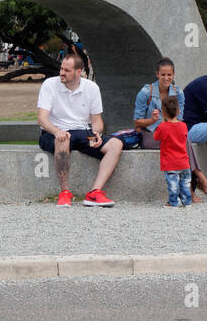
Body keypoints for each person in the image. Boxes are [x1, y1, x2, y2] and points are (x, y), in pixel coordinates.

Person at [36, 52, 121, 208]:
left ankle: (94, 192)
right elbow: (42, 119)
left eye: (67, 70)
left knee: (116, 144)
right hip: (52, 132)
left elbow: (97, 121)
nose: (62, 73)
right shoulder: (50, 84)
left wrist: (96, 134)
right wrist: (56, 131)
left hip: (81, 131)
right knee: (63, 138)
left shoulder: (91, 87)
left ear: (78, 72)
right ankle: (65, 193)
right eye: (61, 69)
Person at [132, 57, 186, 150]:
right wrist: (152, 120)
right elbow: (137, 122)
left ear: (173, 75)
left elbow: (179, 119)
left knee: (184, 141)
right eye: (163, 75)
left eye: (169, 75)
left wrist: (167, 124)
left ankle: (188, 165)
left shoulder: (178, 93)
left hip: (170, 131)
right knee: (175, 142)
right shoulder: (145, 92)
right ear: (157, 74)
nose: (166, 78)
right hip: (149, 132)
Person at [157, 95, 190, 208]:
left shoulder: (162, 127)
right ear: (178, 111)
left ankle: (174, 202)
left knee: (173, 184)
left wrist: (163, 122)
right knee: (185, 183)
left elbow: (156, 137)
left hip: (170, 162)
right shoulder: (184, 125)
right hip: (184, 161)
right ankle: (187, 202)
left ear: (163, 113)